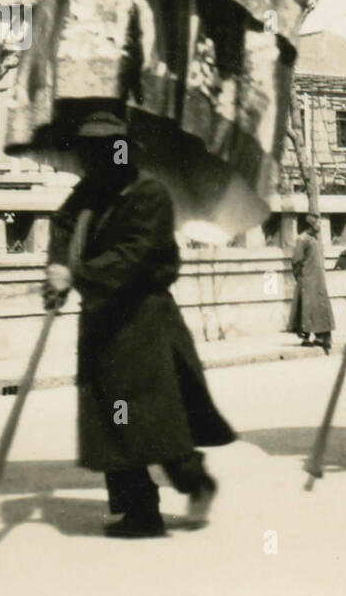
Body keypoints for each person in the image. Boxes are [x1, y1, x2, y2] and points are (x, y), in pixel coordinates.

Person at [45, 112, 235, 538]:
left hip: (144, 322)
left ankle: (195, 481)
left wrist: (76, 274)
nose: (93, 162)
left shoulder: (149, 194)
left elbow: (134, 256)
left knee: (153, 421)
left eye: (103, 151)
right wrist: (57, 265)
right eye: (88, 154)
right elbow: (62, 225)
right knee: (110, 418)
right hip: (101, 321)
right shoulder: (89, 193)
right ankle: (138, 509)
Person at [287, 214, 334, 353]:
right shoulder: (302, 239)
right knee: (306, 308)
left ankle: (321, 337)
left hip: (318, 280)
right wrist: (300, 276)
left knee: (319, 308)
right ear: (310, 225)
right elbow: (296, 260)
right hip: (307, 280)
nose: (319, 226)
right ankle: (306, 337)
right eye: (316, 223)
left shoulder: (314, 239)